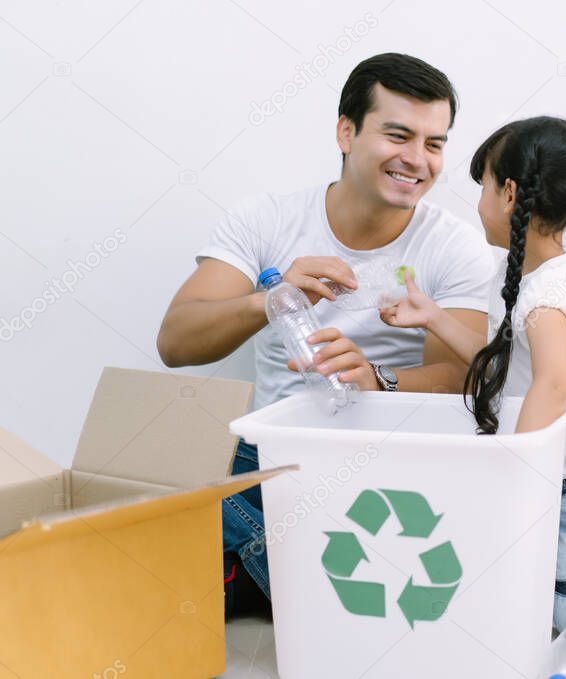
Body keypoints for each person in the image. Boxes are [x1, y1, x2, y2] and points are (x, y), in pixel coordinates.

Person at [156, 53, 494, 615]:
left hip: (397, 454)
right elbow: (175, 341)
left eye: (434, 144)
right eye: (398, 135)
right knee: (151, 550)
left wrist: (378, 379)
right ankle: (299, 578)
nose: (417, 160)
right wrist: (272, 301)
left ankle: (266, 572)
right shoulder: (266, 220)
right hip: (276, 453)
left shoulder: (452, 246)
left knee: (200, 553)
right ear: (346, 131)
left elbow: (463, 379)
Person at [380, 117, 566, 632]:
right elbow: (503, 362)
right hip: (548, 468)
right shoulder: (514, 269)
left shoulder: (547, 295)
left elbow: (551, 383)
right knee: (512, 595)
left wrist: (517, 477)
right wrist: (433, 316)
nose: (478, 201)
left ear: (508, 193)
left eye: (481, 186)